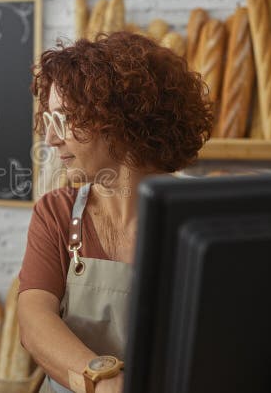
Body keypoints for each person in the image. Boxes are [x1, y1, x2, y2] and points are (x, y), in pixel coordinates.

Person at [18, 32, 214, 393]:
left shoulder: (203, 224)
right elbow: (33, 320)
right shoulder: (57, 213)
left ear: (119, 120)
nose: (50, 139)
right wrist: (101, 378)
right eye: (48, 120)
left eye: (64, 119)